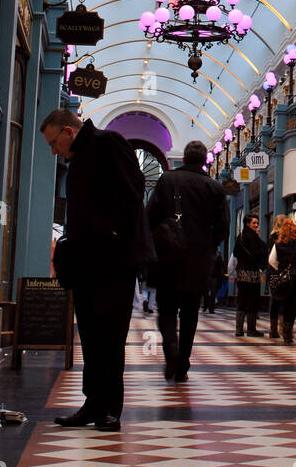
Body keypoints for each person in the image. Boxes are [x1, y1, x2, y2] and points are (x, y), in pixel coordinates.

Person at [40, 108, 152, 431]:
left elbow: (132, 193)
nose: (53, 150)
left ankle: (110, 409)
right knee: (89, 334)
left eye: (53, 142)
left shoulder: (109, 142)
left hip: (113, 262)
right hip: (86, 262)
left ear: (68, 132)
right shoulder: (78, 158)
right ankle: (93, 402)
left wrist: (112, 234)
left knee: (111, 334)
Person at [146, 140, 229, 382]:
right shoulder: (214, 187)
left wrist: (156, 242)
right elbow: (223, 226)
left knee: (167, 309)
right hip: (198, 261)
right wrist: (209, 246)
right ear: (205, 160)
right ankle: (182, 362)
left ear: (184, 157)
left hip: (168, 258)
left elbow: (149, 217)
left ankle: (170, 346)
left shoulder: (166, 180)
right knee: (190, 313)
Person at [268, 219, 296, 343]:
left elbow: (271, 260)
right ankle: (288, 332)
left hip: (284, 279)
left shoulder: (277, 245)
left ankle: (284, 332)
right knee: (293, 304)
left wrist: (280, 269)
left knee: (285, 304)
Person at [233, 213, 267, 336]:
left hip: (241, 272)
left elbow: (235, 253)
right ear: (248, 224)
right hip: (251, 272)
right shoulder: (253, 236)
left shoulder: (240, 236)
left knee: (242, 299)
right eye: (254, 223)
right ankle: (251, 329)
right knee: (253, 300)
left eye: (257, 223)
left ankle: (239, 329)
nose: (256, 225)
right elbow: (257, 252)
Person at [203, 247, 225, 314]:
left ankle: (206, 307)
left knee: (207, 293)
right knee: (212, 293)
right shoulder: (218, 255)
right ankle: (210, 308)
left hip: (209, 276)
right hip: (214, 277)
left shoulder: (207, 255)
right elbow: (221, 266)